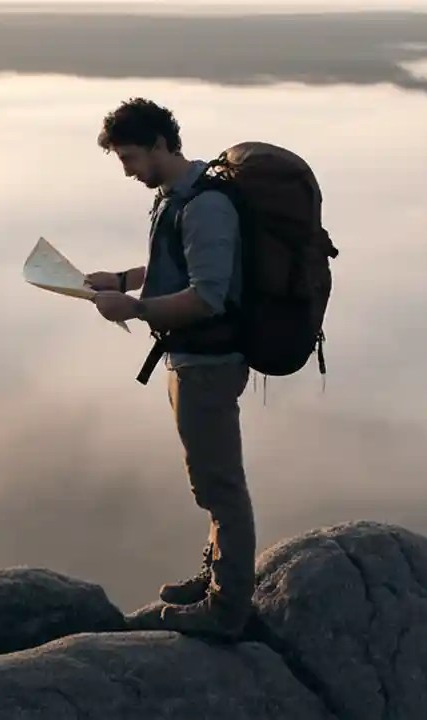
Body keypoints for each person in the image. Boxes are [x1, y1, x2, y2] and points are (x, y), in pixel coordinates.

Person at [84, 97, 255, 639]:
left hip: (208, 362)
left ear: (161, 144)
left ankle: (227, 609)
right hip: (188, 359)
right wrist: (121, 279)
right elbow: (170, 266)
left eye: (130, 157)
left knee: (220, 485)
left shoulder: (205, 204)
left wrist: (133, 309)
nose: (127, 170)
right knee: (207, 480)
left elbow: (208, 295)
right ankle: (215, 578)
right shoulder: (173, 197)